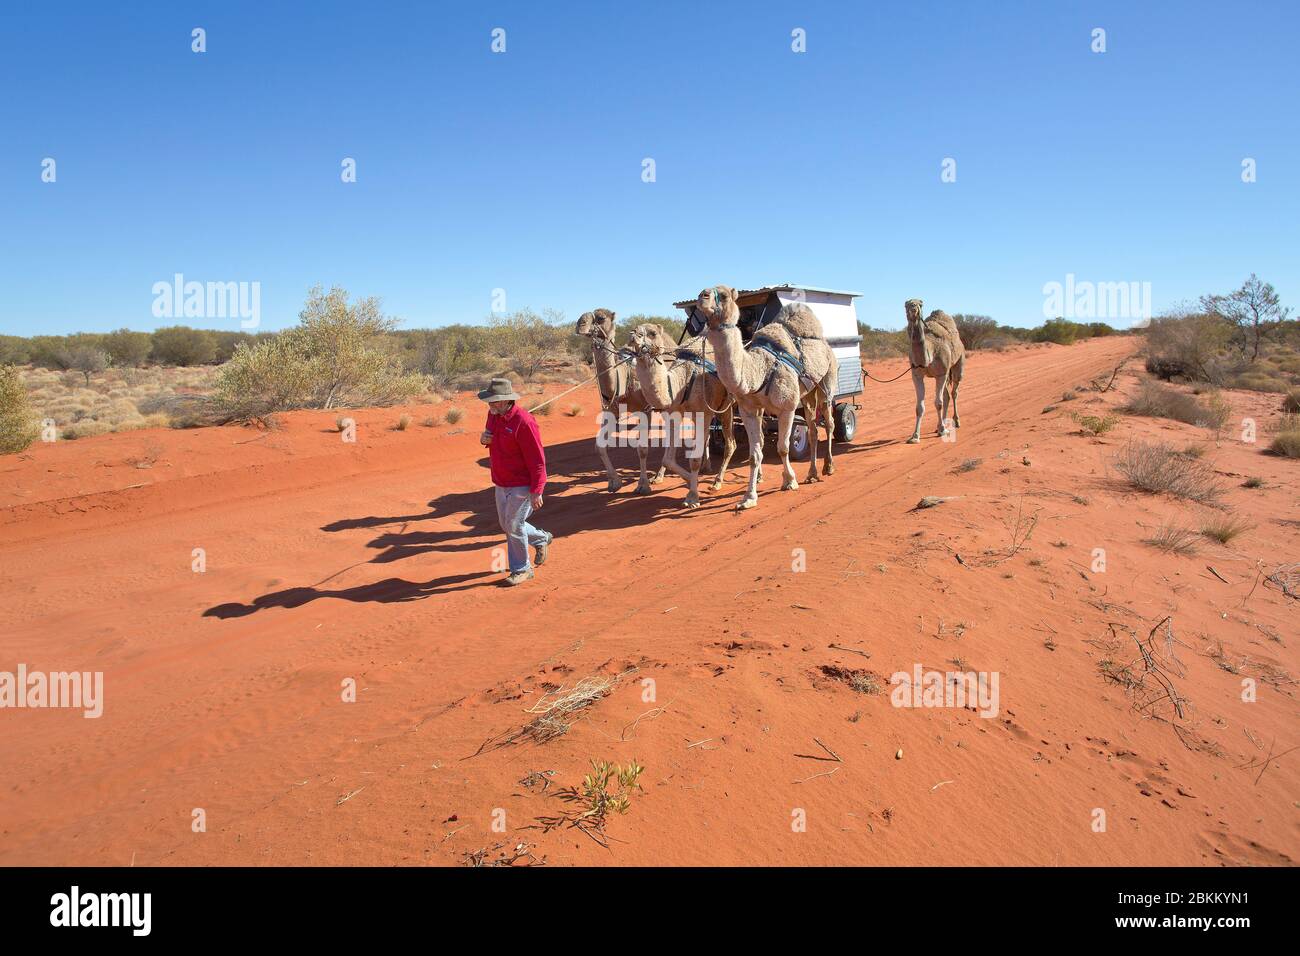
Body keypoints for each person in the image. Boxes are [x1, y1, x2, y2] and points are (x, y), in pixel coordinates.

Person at [477, 378, 551, 586]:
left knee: (514, 525)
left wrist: (537, 490)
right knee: (506, 524)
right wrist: (484, 439)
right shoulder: (493, 416)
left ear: (504, 401)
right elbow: (489, 437)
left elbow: (538, 460)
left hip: (522, 484)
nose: (489, 405)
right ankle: (540, 538)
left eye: (492, 401)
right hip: (501, 481)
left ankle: (522, 568)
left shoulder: (524, 422)